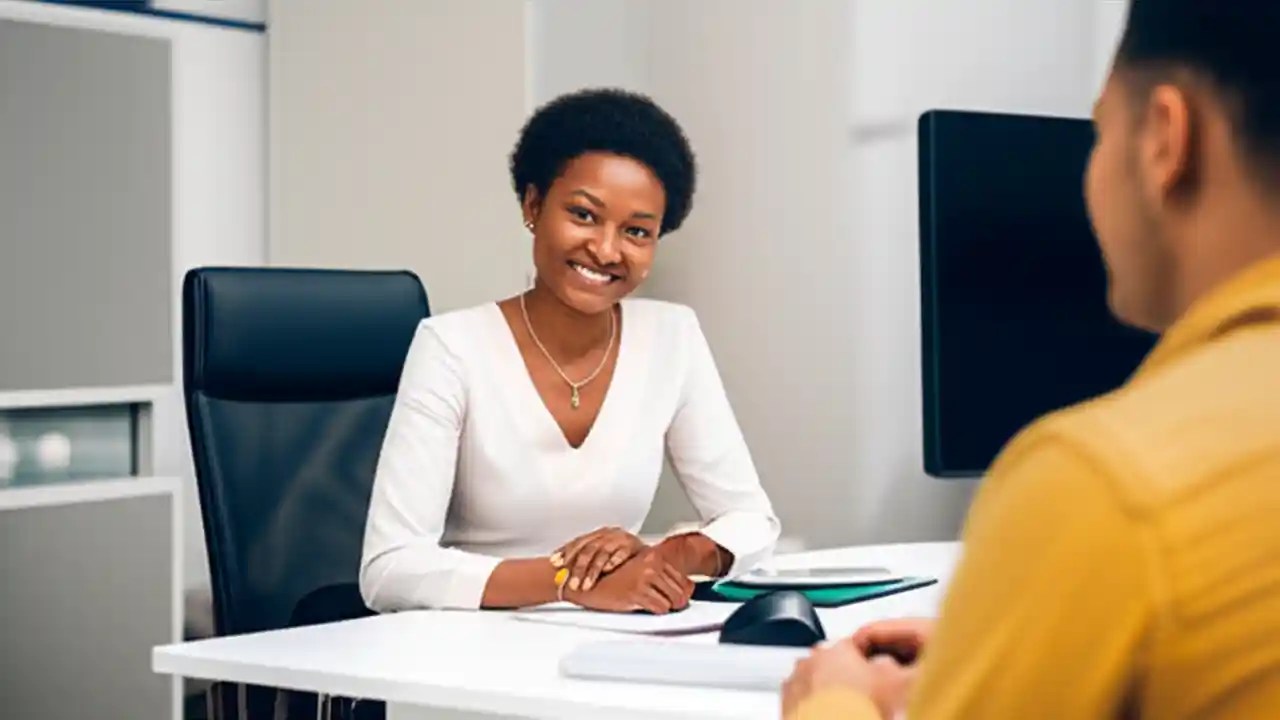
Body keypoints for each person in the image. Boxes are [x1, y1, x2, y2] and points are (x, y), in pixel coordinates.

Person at [784, 1, 1280, 717]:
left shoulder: (1102, 484)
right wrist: (1010, 641)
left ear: (1166, 140)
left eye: (1101, 129)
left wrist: (834, 700)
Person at [358, 88, 779, 615]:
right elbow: (390, 569)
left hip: (610, 641)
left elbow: (751, 520)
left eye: (636, 232)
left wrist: (669, 555)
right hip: (469, 648)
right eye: (583, 215)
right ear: (533, 206)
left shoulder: (673, 337)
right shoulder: (451, 348)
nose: (606, 250)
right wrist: (570, 581)